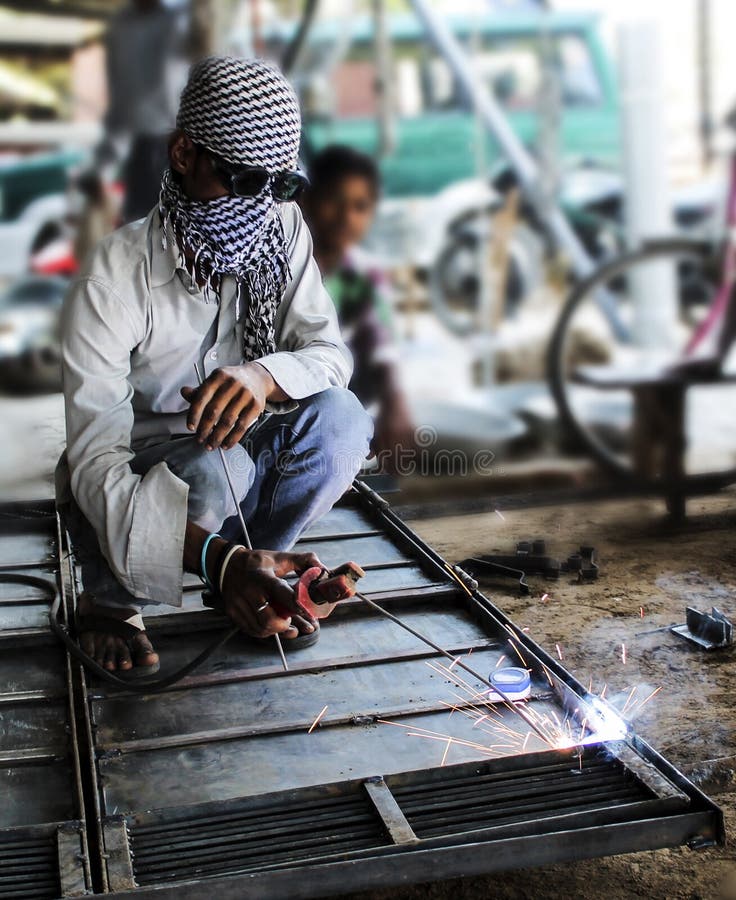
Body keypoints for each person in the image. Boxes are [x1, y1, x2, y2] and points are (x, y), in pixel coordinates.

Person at [56, 57, 373, 677]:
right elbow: (95, 462)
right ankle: (112, 599)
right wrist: (217, 561)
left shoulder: (281, 231)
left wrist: (264, 376)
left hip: (238, 450)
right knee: (212, 465)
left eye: (276, 186)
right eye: (240, 180)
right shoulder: (115, 279)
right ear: (183, 155)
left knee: (340, 422)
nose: (259, 206)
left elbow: (330, 354)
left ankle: (261, 575)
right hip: (149, 464)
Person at [300, 145, 414, 470]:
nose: (346, 216)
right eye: (334, 200)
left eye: (360, 206)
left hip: (341, 404)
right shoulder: (286, 269)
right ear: (306, 200)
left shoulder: (363, 274)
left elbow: (383, 347)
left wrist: (396, 404)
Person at [101, 0, 188, 223]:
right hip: (142, 151)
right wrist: (104, 168)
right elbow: (120, 102)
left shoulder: (185, 18)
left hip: (188, 146)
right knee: (140, 241)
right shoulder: (121, 26)